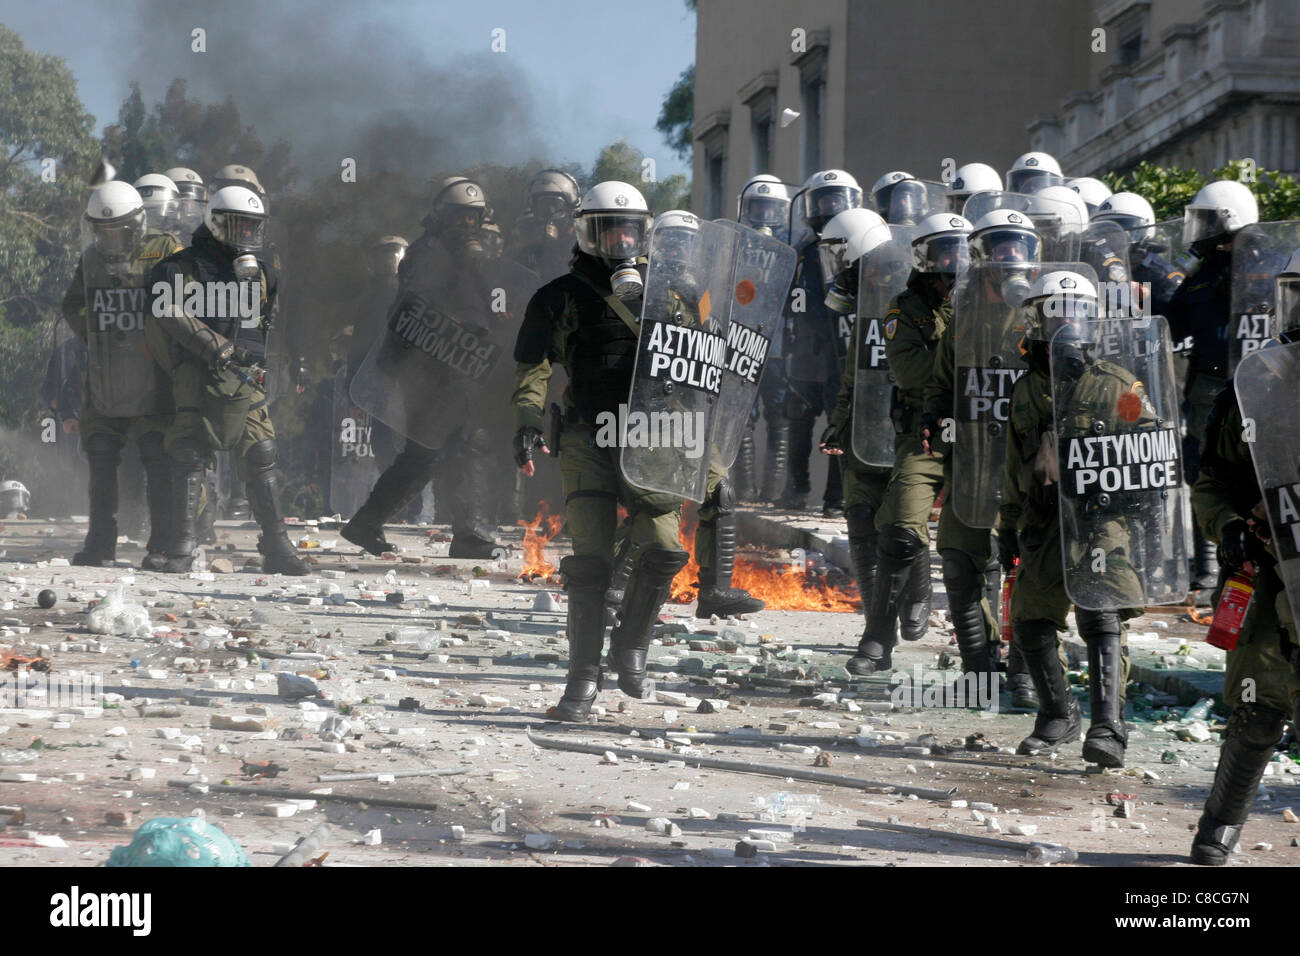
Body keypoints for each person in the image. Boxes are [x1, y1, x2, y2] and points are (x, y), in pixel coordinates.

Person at [512, 182, 686, 721]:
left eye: (630, 228)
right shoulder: (557, 296)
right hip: (588, 435)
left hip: (655, 436)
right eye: (607, 227)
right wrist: (525, 419)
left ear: (644, 232)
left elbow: (699, 380)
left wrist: (714, 463)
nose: (620, 239)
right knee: (589, 562)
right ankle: (582, 681)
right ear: (586, 232)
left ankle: (631, 647)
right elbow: (533, 367)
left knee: (661, 547)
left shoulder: (673, 295)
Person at [998, 271, 1152, 767]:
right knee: (1030, 621)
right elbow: (1012, 464)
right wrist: (1007, 525)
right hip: (1045, 520)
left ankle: (1109, 727)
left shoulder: (1115, 384)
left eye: (1074, 310)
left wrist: (1140, 507)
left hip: (1099, 520)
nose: (1064, 320)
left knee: (1101, 617)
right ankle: (1058, 715)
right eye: (1054, 310)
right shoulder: (1025, 390)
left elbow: (1151, 446)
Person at [344, 178, 524, 558]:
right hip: (431, 368)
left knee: (427, 453)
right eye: (459, 217)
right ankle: (468, 535)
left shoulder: (468, 258)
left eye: (474, 218)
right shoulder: (427, 252)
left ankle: (366, 522)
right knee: (459, 444)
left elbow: (488, 303)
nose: (466, 226)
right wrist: (458, 325)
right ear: (442, 216)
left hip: (461, 366)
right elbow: (417, 306)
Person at [1189, 253, 1300, 864]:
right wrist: (1228, 525)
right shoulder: (1254, 388)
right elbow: (1212, 481)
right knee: (1258, 710)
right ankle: (1219, 828)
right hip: (1269, 569)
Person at [146, 185, 308, 576]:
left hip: (247, 378)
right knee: (188, 454)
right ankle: (181, 545)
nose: (247, 235)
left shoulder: (265, 272)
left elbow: (266, 323)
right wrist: (210, 344)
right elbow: (164, 309)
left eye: (254, 227)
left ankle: (276, 544)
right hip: (196, 376)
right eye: (239, 226)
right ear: (215, 222)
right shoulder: (179, 267)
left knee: (261, 453)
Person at [844, 212, 972, 675]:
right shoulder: (905, 308)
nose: (956, 260)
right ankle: (877, 640)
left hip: (985, 430)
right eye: (946, 251)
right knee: (900, 528)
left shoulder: (990, 301)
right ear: (926, 258)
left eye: (962, 250)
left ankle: (995, 659)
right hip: (927, 431)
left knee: (989, 544)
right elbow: (912, 371)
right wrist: (963, 341)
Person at [62, 181, 182, 570]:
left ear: (139, 224)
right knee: (99, 457)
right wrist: (99, 325)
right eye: (103, 233)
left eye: (119, 232)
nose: (111, 241)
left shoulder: (164, 249)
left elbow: (188, 299)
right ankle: (100, 543)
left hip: (154, 376)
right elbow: (73, 305)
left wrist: (151, 328)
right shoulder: (92, 260)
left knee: (157, 458)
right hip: (106, 375)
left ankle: (163, 544)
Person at [1166, 181, 1260, 592]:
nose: (1199, 231)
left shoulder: (1268, 265)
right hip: (1209, 387)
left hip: (1259, 384)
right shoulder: (1200, 278)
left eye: (1207, 222)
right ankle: (1208, 562)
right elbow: (1170, 322)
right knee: (1205, 470)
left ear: (1230, 221)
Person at [781, 169, 863, 514]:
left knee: (840, 420)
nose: (830, 207)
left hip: (842, 351)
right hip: (806, 350)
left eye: (837, 199)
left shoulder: (861, 244)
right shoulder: (800, 251)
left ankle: (836, 498)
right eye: (825, 200)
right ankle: (796, 489)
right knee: (797, 417)